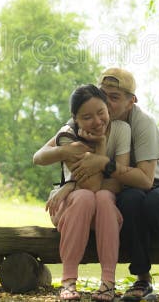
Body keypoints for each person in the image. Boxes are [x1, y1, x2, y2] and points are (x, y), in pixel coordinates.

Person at [70, 68, 159, 301]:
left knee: (156, 201)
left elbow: (146, 180)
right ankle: (143, 279)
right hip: (135, 193)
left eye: (114, 97)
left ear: (131, 101)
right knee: (129, 199)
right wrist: (66, 186)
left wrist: (104, 163)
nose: (107, 103)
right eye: (103, 95)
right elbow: (50, 147)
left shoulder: (143, 122)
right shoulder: (92, 117)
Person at [33, 84, 131, 302]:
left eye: (101, 112)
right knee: (85, 196)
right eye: (87, 117)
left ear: (107, 108)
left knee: (103, 197)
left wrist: (69, 185)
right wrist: (65, 151)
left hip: (102, 210)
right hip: (71, 208)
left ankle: (108, 282)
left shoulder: (121, 130)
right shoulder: (70, 136)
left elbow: (117, 182)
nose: (97, 121)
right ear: (75, 119)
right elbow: (39, 157)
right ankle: (68, 281)